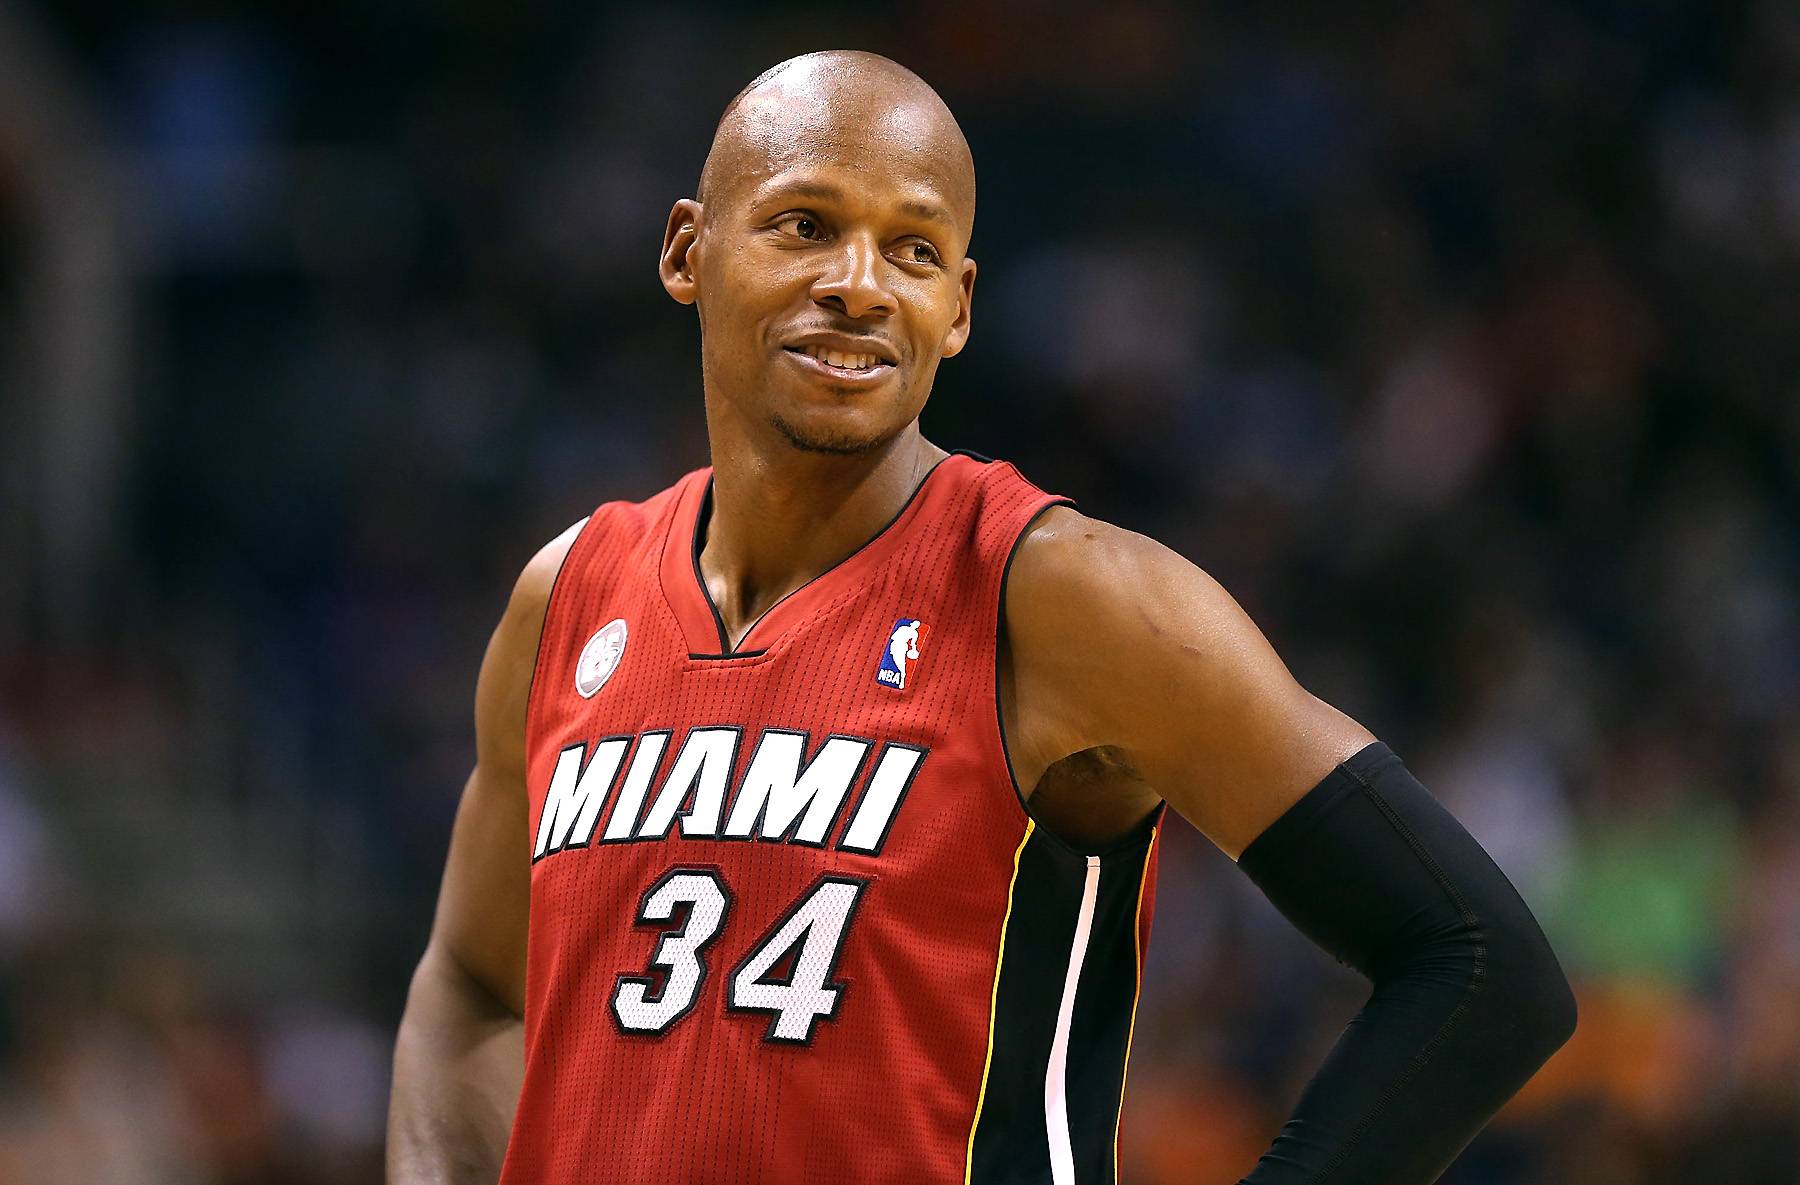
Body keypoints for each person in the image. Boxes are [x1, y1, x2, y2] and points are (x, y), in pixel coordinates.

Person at [387, 50, 1575, 1185]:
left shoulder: (1068, 597)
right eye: (805, 224)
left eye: (910, 248)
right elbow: (470, 987)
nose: (858, 284)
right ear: (688, 252)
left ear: (956, 307)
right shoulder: (568, 597)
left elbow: (1482, 966)